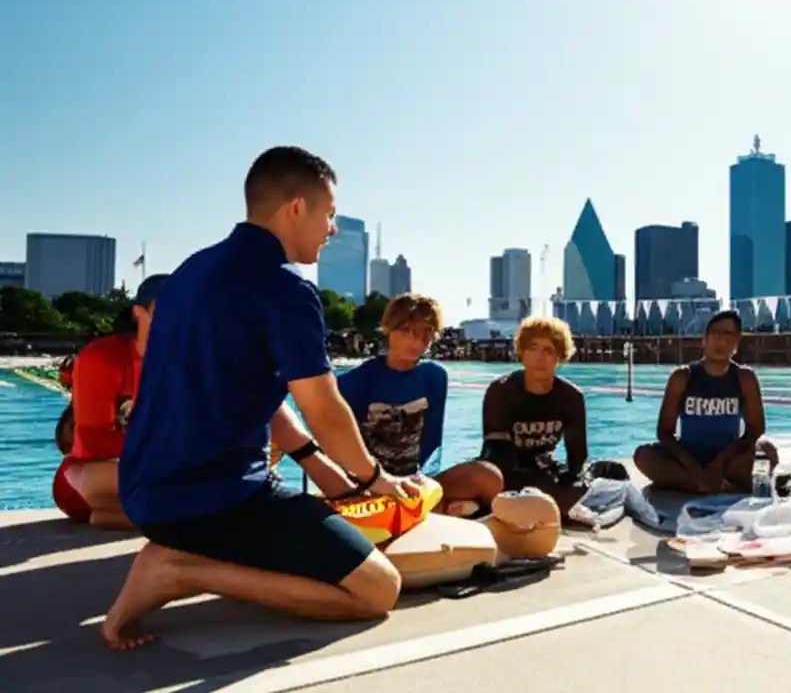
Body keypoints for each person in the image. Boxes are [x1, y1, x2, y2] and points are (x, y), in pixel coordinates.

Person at [105, 146, 420, 650]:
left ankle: (180, 558)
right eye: (329, 214)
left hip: (145, 490)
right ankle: (179, 574)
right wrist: (373, 477)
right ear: (297, 207)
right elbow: (323, 406)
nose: (332, 228)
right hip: (218, 498)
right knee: (377, 589)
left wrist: (317, 464)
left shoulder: (189, 274)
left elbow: (232, 381)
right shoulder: (284, 290)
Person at [338, 292, 502, 515]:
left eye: (425, 334)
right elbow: (341, 448)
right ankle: (437, 511)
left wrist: (424, 483)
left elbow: (432, 442)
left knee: (489, 476)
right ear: (388, 329)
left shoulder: (434, 376)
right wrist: (374, 483)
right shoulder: (354, 381)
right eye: (407, 331)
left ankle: (425, 508)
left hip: (414, 481)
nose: (416, 342)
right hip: (369, 484)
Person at [52, 275, 168, 529]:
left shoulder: (186, 364)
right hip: (89, 477)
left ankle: (125, 517)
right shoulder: (104, 358)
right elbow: (93, 442)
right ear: (139, 313)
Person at [633, 310, 773, 493]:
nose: (720, 341)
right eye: (714, 334)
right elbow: (664, 432)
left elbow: (756, 429)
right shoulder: (682, 377)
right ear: (704, 340)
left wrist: (721, 461)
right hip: (689, 457)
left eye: (728, 335)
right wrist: (694, 467)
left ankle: (697, 484)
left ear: (737, 343)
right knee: (643, 456)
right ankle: (708, 483)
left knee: (767, 451)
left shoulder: (744, 378)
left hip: (728, 458)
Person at [479, 316, 587, 515]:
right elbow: (496, 453)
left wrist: (569, 480)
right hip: (503, 473)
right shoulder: (501, 390)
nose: (540, 357)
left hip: (545, 470)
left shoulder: (571, 397)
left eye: (548, 350)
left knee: (580, 491)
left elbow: (577, 455)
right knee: (486, 478)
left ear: (559, 357)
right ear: (522, 352)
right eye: (533, 347)